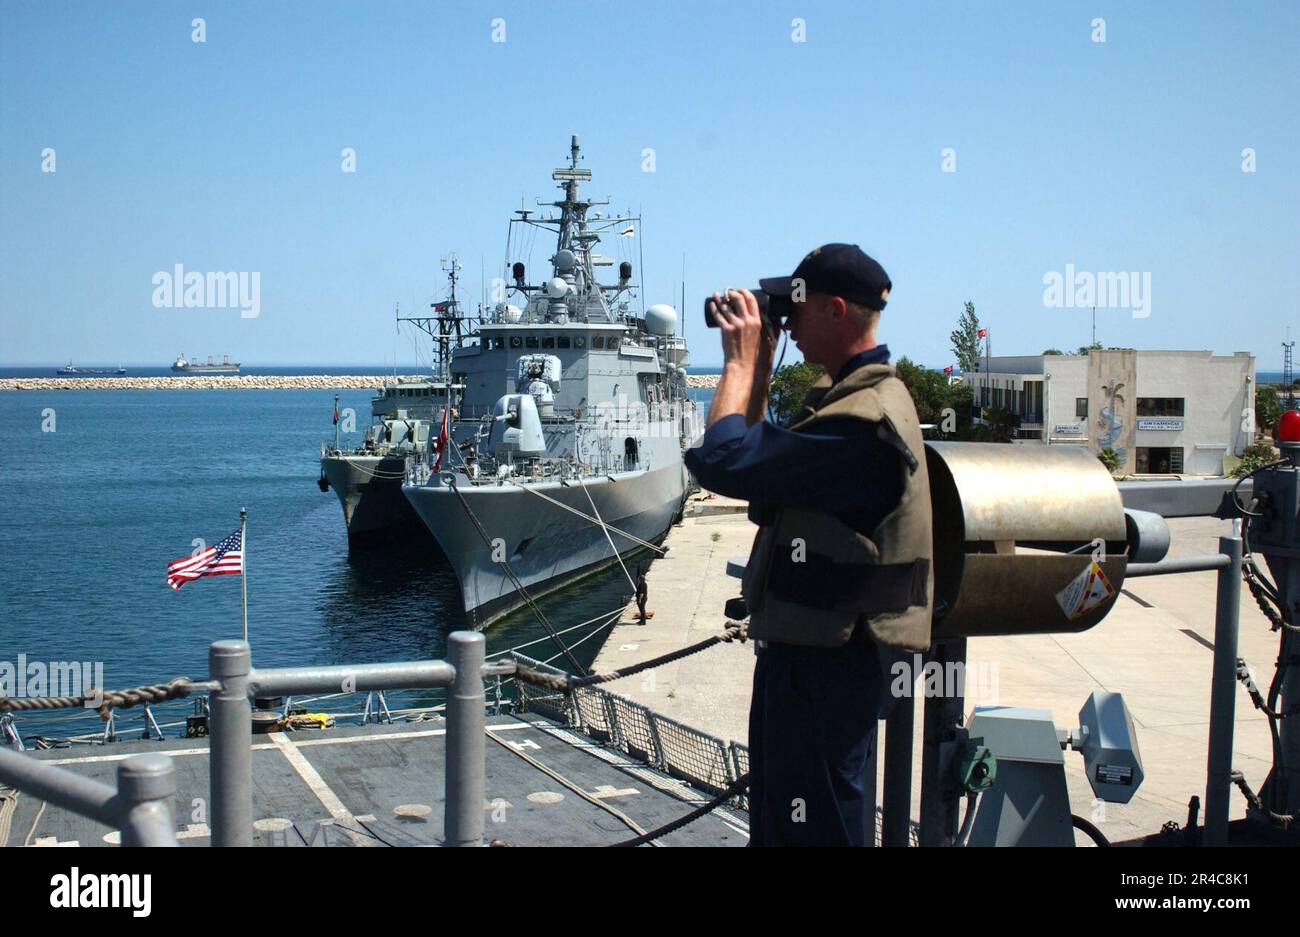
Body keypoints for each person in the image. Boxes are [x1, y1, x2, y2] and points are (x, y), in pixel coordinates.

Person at [684, 243, 934, 847]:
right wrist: (763, 368)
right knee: (785, 816)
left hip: (834, 660)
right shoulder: (846, 401)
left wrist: (739, 363)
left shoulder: (860, 423)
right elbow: (766, 478)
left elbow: (722, 461)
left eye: (794, 308)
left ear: (837, 310)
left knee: (817, 824)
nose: (785, 321)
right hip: (820, 651)